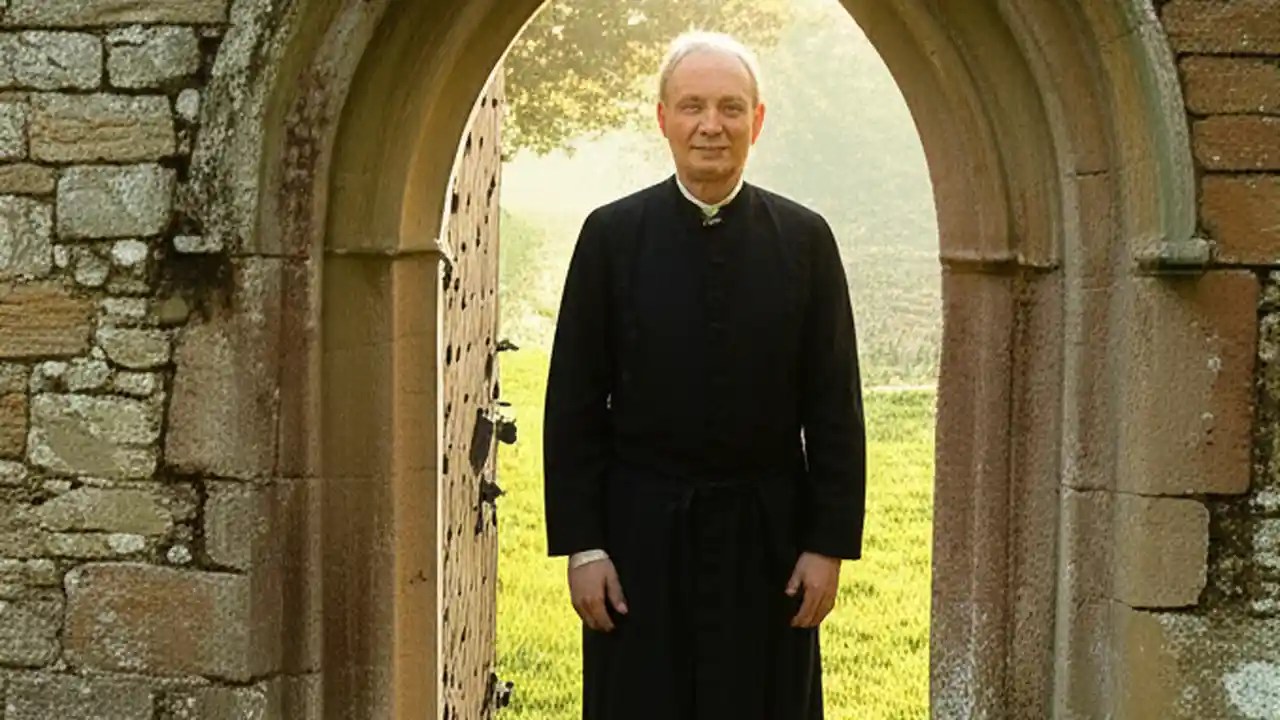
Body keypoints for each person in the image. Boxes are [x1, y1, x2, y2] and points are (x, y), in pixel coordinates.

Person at [542, 30, 867, 720]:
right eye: (692, 106)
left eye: (730, 107)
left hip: (768, 542)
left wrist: (826, 544)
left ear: (758, 120)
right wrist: (584, 546)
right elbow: (573, 402)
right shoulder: (610, 236)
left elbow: (834, 404)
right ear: (663, 119)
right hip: (637, 543)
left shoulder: (806, 240)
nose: (711, 126)